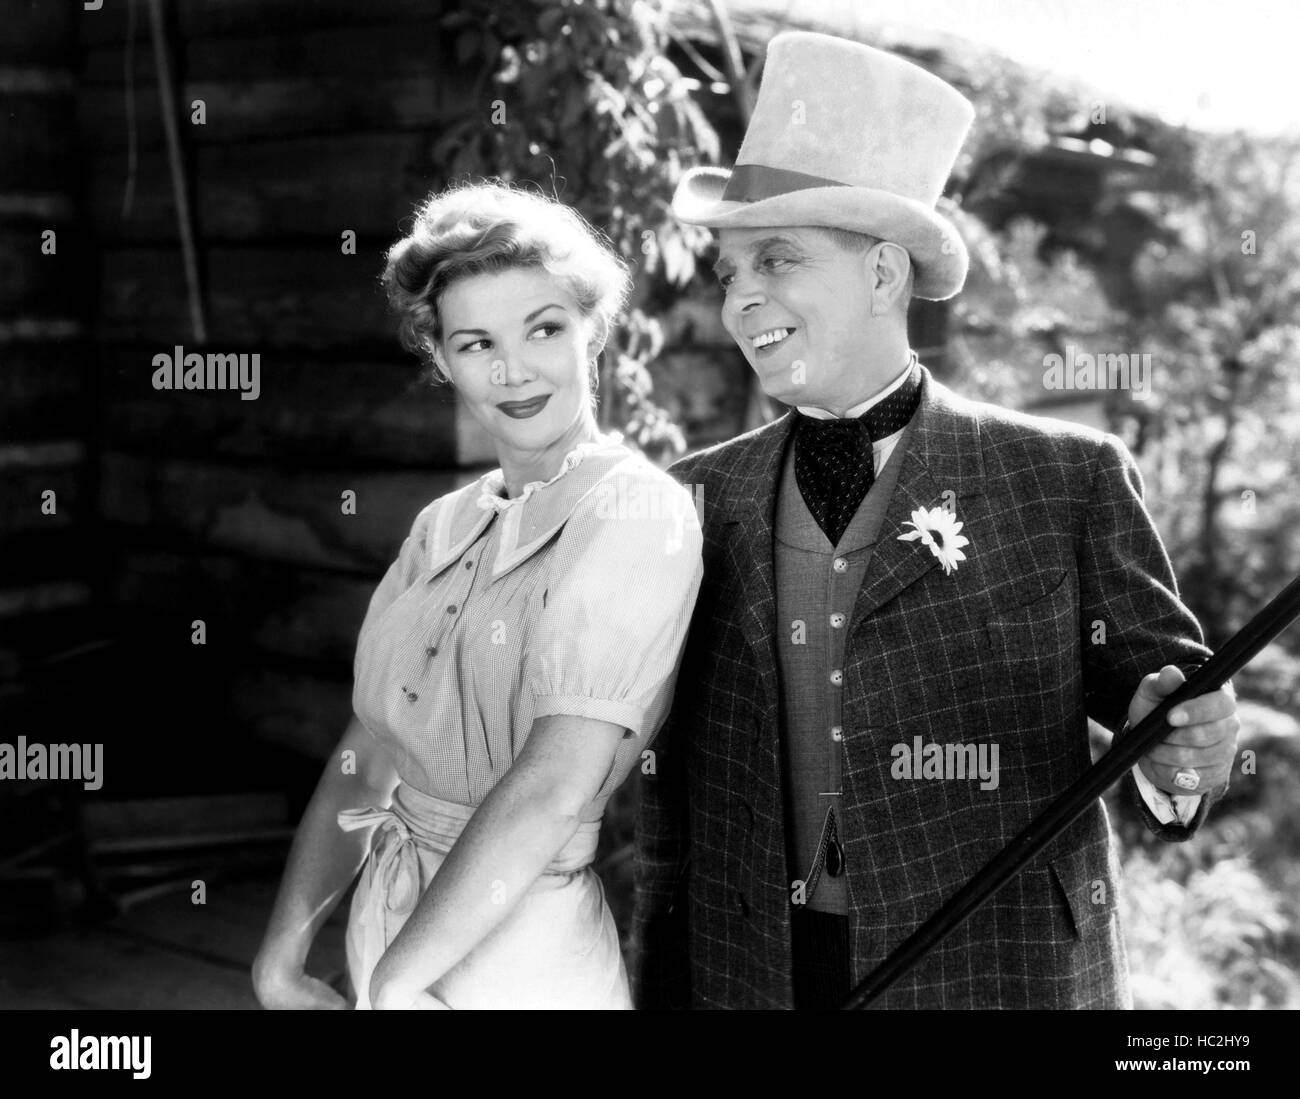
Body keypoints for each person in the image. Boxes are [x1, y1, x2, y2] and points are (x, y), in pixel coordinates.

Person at [631, 31, 1240, 1010]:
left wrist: (1183, 748)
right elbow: (661, 800)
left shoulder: (1066, 477)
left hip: (996, 973)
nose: (740, 296)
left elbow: (1163, 708)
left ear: (882, 275)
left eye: (775, 258)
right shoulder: (688, 497)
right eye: (729, 268)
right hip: (758, 973)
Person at [253, 181, 702, 1009]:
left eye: (544, 328)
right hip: (388, 930)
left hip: (521, 952)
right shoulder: (443, 524)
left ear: (592, 328)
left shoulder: (637, 514)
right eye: (474, 342)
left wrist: (396, 984)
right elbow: (366, 759)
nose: (512, 369)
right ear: (440, 356)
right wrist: (282, 956)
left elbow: (552, 787)